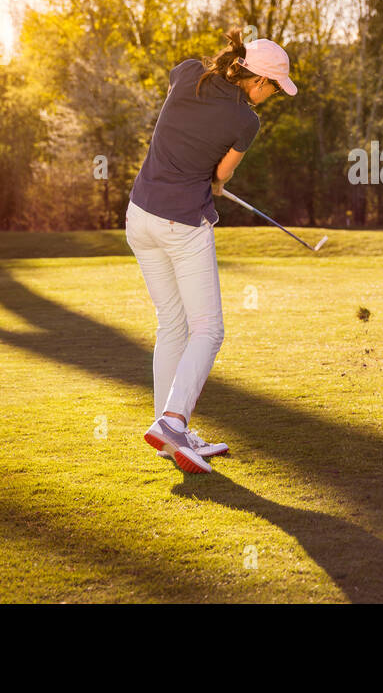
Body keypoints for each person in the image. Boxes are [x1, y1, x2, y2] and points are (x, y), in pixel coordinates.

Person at [125, 28, 297, 473]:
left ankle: (167, 434)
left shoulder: (188, 75)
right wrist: (216, 181)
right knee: (208, 330)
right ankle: (174, 422)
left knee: (172, 324)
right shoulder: (246, 121)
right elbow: (221, 175)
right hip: (180, 223)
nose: (272, 96)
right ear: (258, 81)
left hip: (139, 215)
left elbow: (180, 90)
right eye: (274, 89)